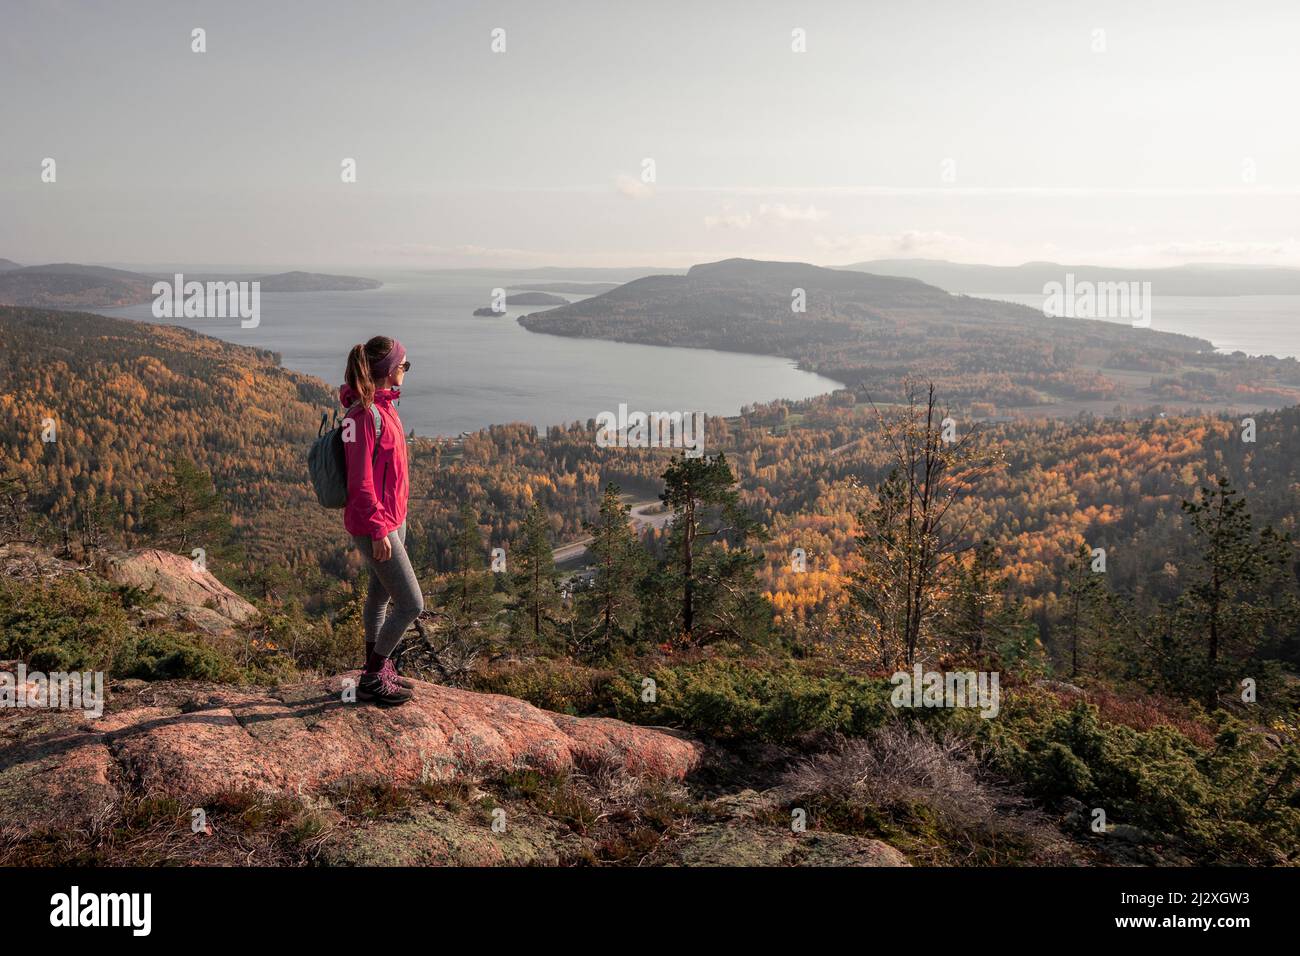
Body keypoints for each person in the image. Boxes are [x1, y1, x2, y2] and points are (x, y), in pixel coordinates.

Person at [341, 335, 420, 706]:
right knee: (411, 603)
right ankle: (374, 672)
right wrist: (377, 529)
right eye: (404, 364)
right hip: (377, 523)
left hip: (392, 519)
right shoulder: (361, 415)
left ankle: (376, 668)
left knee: (380, 597)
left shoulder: (385, 407)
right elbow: (359, 483)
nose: (406, 370)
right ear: (389, 370)